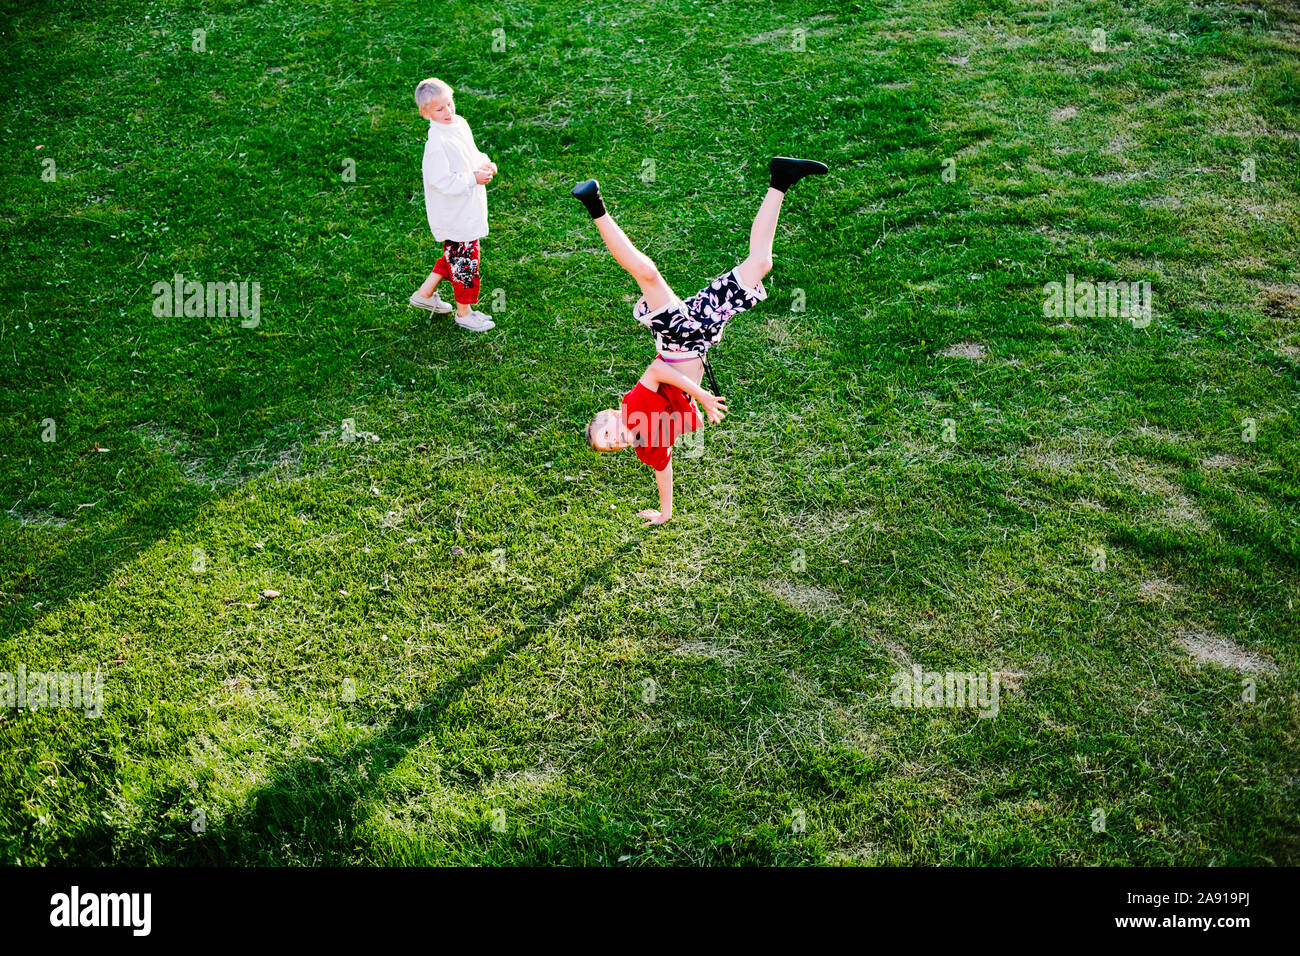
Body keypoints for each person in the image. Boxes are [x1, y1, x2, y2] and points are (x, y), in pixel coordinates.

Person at [574, 156, 828, 525]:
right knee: (760, 265)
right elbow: (664, 468)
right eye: (610, 446)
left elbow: (659, 369)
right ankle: (781, 179)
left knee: (646, 273)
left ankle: (594, 204)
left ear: (614, 415)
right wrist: (665, 513)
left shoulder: (633, 406)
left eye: (608, 433)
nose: (615, 441)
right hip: (700, 334)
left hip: (677, 340)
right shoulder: (647, 447)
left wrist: (703, 395)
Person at [409, 77, 497, 332]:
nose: (448, 111)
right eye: (439, 109)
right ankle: (464, 313)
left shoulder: (459, 125)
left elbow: (471, 153)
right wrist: (472, 179)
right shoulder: (436, 144)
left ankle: (424, 295)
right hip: (454, 213)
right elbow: (442, 181)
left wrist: (485, 163)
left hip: (468, 207)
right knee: (465, 262)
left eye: (449, 104)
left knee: (456, 254)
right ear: (425, 113)